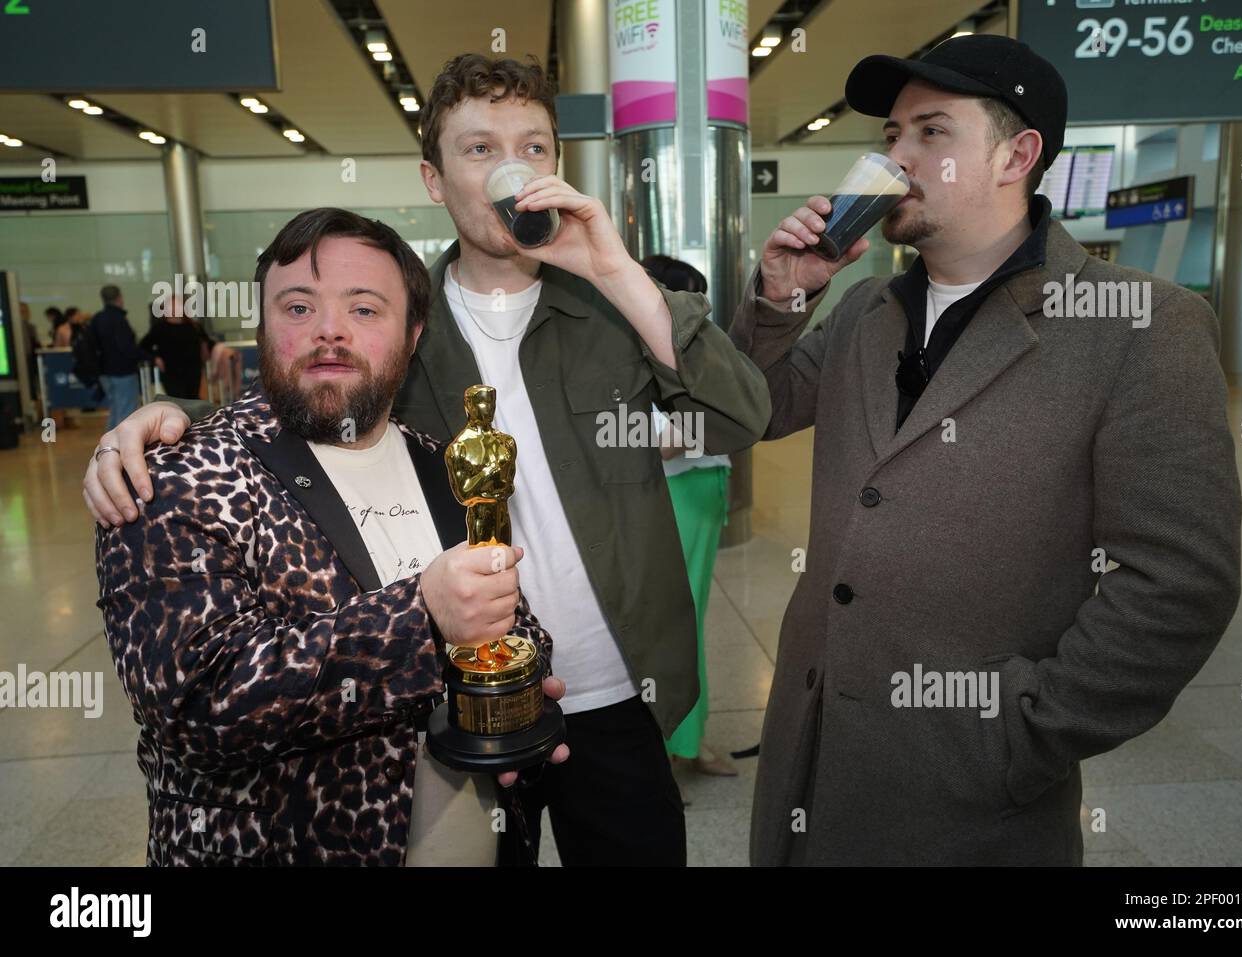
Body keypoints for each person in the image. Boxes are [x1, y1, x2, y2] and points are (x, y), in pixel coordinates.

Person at [83, 53, 770, 867]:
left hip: (619, 685)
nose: (510, 167)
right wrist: (176, 418)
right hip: (458, 699)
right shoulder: (402, 325)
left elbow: (737, 415)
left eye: (534, 147)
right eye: (478, 149)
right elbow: (315, 397)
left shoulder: (612, 312)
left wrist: (617, 270)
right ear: (435, 178)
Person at [729, 34, 1241, 865]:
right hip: (811, 764)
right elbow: (750, 411)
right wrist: (782, 296)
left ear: (1017, 154)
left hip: (971, 805)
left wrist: (1020, 736)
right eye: (892, 136)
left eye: (931, 132)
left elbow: (1178, 584)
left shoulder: (1140, 326)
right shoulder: (866, 311)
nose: (896, 158)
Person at [94, 207, 568, 865]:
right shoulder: (174, 476)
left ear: (413, 333)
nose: (329, 331)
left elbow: (502, 612)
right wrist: (421, 616)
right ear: (263, 327)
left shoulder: (447, 463)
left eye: (366, 309)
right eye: (297, 308)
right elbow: (199, 709)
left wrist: (520, 689)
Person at [643, 255, 736, 777]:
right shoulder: (643, 351)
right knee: (676, 625)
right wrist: (709, 426)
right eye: (690, 297)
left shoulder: (692, 349)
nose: (699, 310)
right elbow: (651, 444)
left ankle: (685, 742)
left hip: (702, 492)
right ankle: (672, 749)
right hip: (678, 495)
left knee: (689, 622)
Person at [88, 286, 149, 428]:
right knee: (126, 411)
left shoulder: (98, 318)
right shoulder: (119, 319)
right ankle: (121, 446)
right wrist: (147, 357)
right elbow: (126, 347)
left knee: (115, 410)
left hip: (104, 372)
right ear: (119, 298)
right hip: (123, 372)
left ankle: (109, 445)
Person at [139, 294, 208, 399]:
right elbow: (143, 346)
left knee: (193, 400)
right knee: (179, 400)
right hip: (171, 373)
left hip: (193, 372)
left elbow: (206, 342)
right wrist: (155, 359)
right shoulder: (160, 328)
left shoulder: (194, 326)